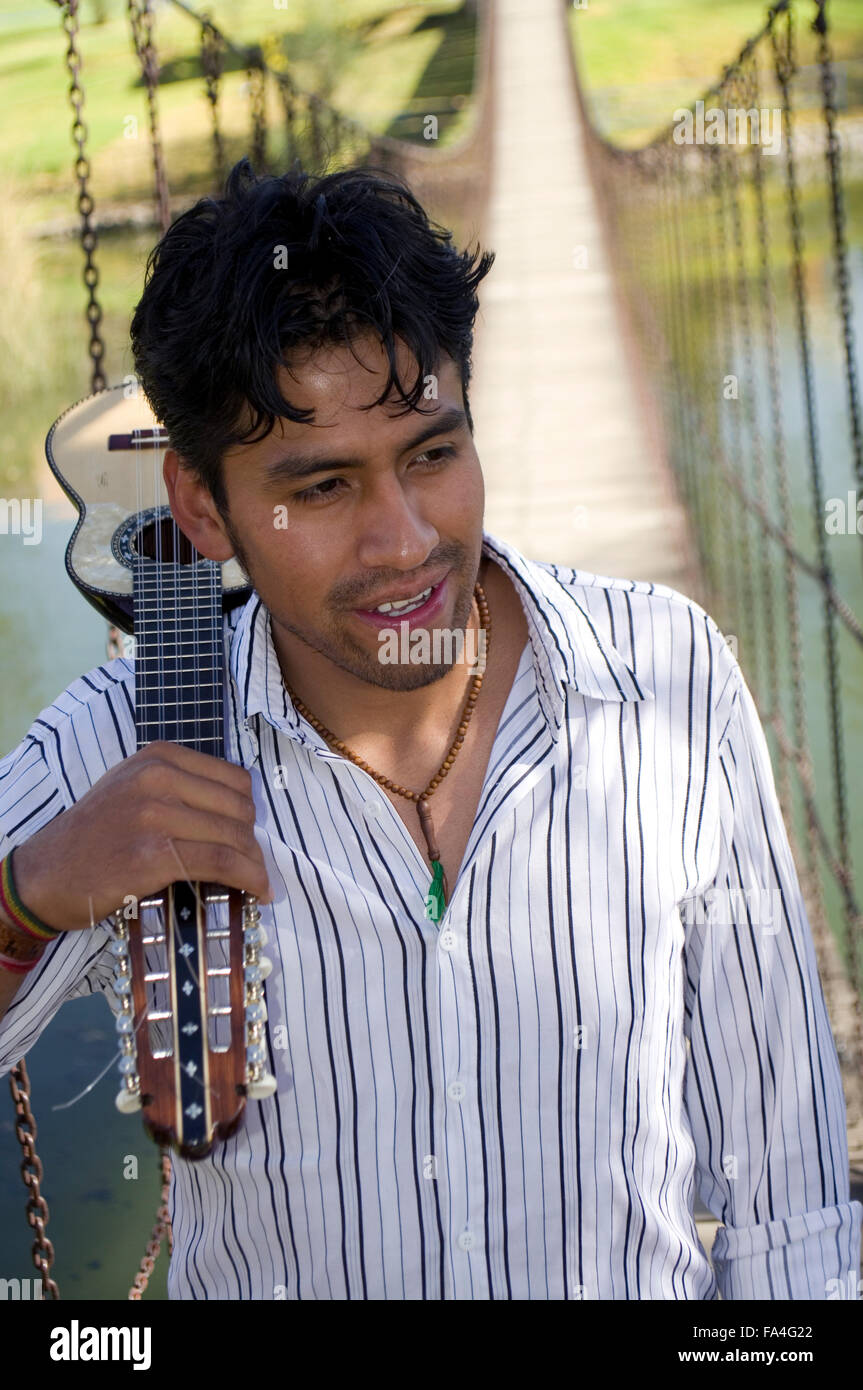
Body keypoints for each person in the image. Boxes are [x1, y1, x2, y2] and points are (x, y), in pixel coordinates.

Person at [0, 158, 859, 1300]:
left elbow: (787, 1206)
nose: (403, 541)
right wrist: (27, 896)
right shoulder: (127, 745)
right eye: (319, 490)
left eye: (432, 454)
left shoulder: (668, 677)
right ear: (200, 506)